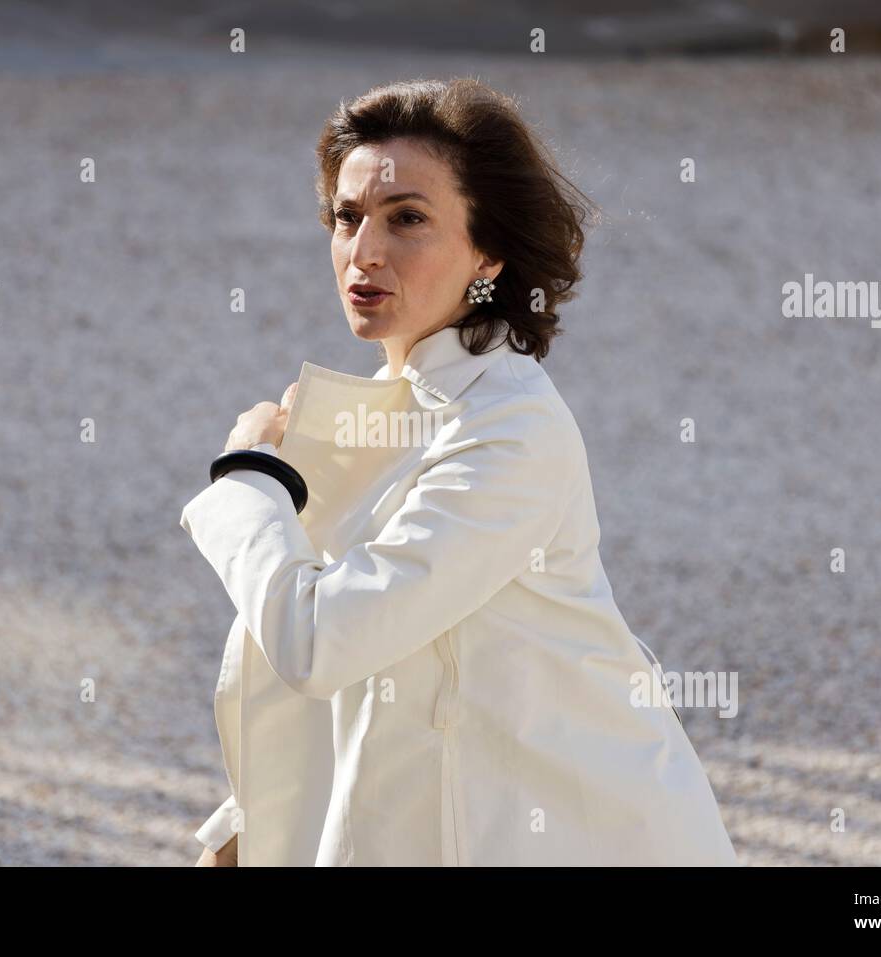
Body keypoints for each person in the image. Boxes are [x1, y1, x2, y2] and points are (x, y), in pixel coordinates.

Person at [182, 77, 738, 866]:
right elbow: (365, 670)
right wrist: (242, 832)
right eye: (348, 218)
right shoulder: (377, 408)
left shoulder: (511, 432)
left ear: (488, 252)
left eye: (407, 218)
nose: (364, 251)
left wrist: (250, 475)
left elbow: (323, 638)